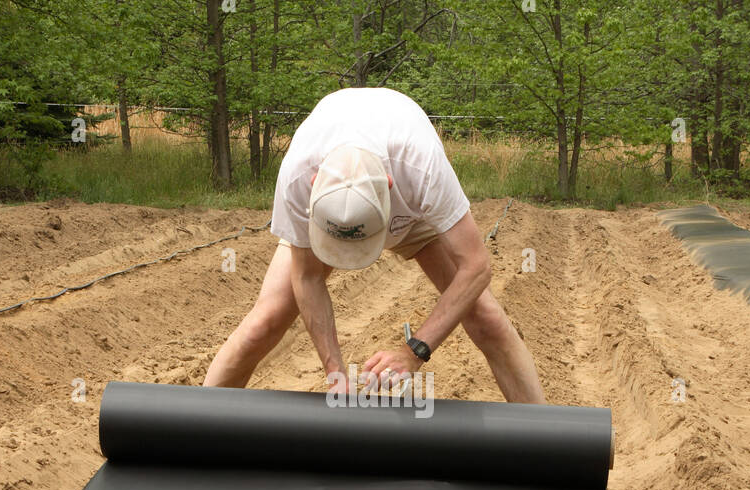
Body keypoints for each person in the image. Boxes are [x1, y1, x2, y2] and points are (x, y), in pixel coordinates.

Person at [203, 86, 545, 403]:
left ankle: (546, 449)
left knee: (486, 319)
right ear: (313, 183)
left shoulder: (420, 165)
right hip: (330, 216)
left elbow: (477, 267)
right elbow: (307, 277)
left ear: (389, 184)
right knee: (265, 322)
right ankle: (197, 435)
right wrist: (335, 371)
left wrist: (415, 350)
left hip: (410, 220)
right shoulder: (297, 174)